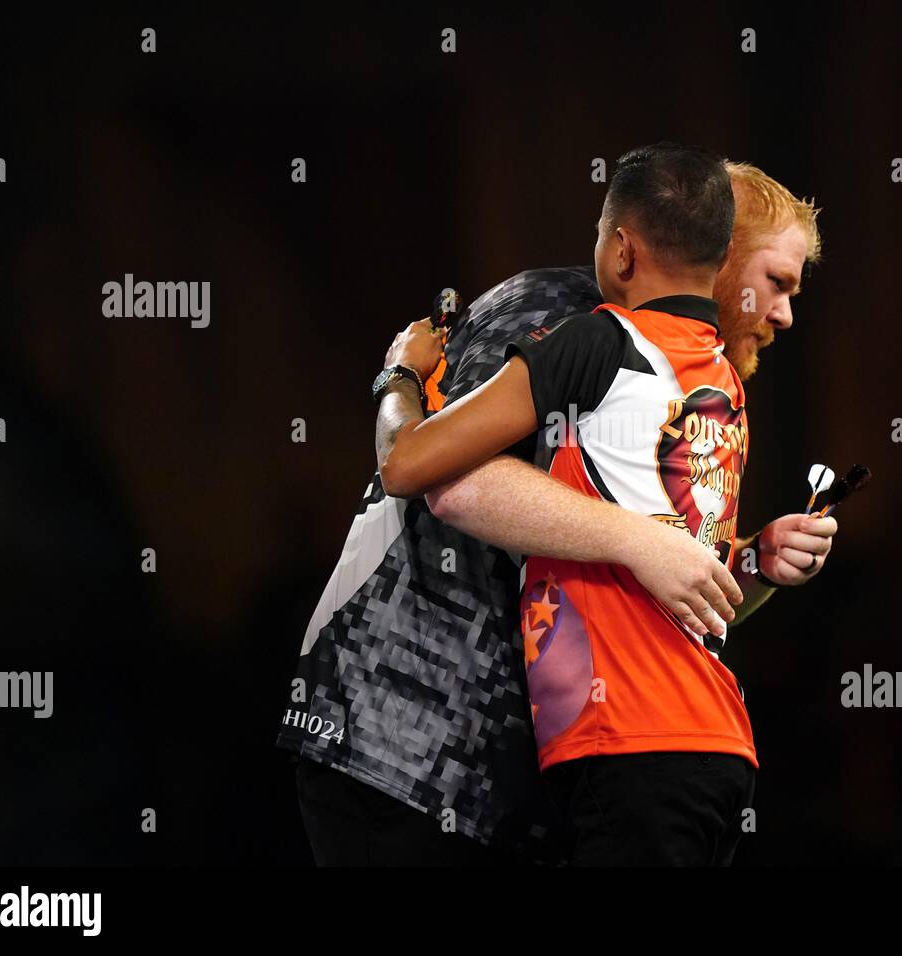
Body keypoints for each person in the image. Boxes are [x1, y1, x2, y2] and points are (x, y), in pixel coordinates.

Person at [277, 149, 832, 866]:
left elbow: (667, 589)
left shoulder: (703, 381)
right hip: (399, 739)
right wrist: (639, 539)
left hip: (522, 772)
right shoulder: (564, 317)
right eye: (776, 283)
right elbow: (450, 478)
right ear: (717, 254)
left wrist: (749, 561)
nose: (785, 315)